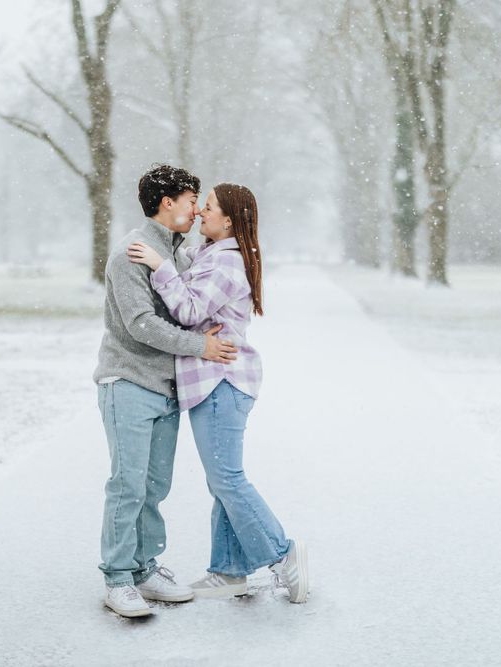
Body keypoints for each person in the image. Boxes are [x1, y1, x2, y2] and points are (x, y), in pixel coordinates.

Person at [127, 183, 309, 604]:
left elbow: (189, 309)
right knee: (221, 481)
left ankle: (284, 555)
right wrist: (167, 249)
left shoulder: (226, 264)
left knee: (227, 479)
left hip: (221, 383)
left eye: (207, 208)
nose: (200, 213)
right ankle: (230, 571)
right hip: (212, 382)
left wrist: (158, 264)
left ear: (228, 220)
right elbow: (187, 272)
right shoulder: (211, 255)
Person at [94, 165, 239, 618]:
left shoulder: (179, 254)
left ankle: (144, 569)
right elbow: (142, 325)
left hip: (167, 387)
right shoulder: (131, 254)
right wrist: (203, 346)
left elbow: (191, 303)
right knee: (128, 484)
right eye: (193, 200)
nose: (198, 210)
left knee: (155, 485)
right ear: (167, 202)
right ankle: (117, 578)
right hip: (130, 381)